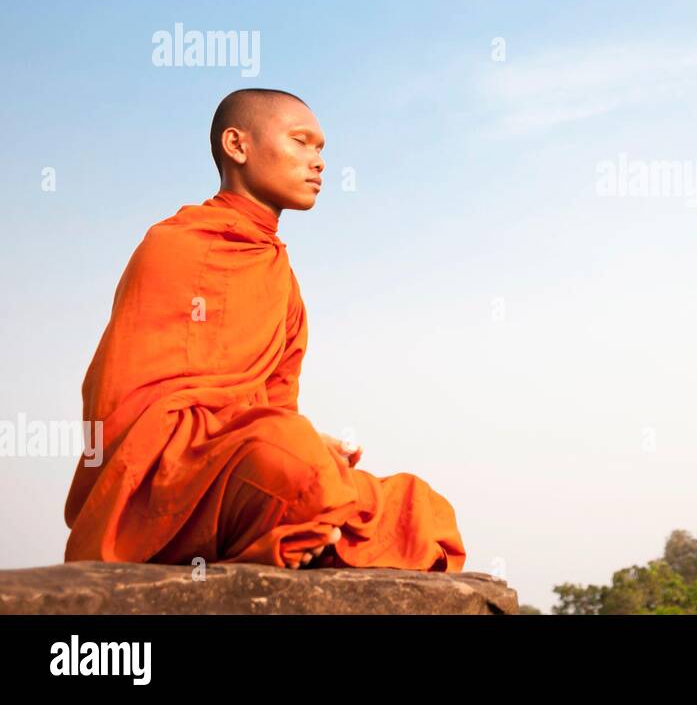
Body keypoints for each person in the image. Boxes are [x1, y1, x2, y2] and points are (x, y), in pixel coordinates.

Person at [63, 88, 467, 572]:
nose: (318, 162)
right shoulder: (174, 246)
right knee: (294, 460)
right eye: (301, 142)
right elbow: (126, 404)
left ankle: (312, 517)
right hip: (162, 478)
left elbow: (272, 405)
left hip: (247, 466)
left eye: (321, 150)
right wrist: (281, 438)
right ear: (238, 146)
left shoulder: (282, 280)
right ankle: (312, 521)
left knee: (420, 506)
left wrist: (307, 437)